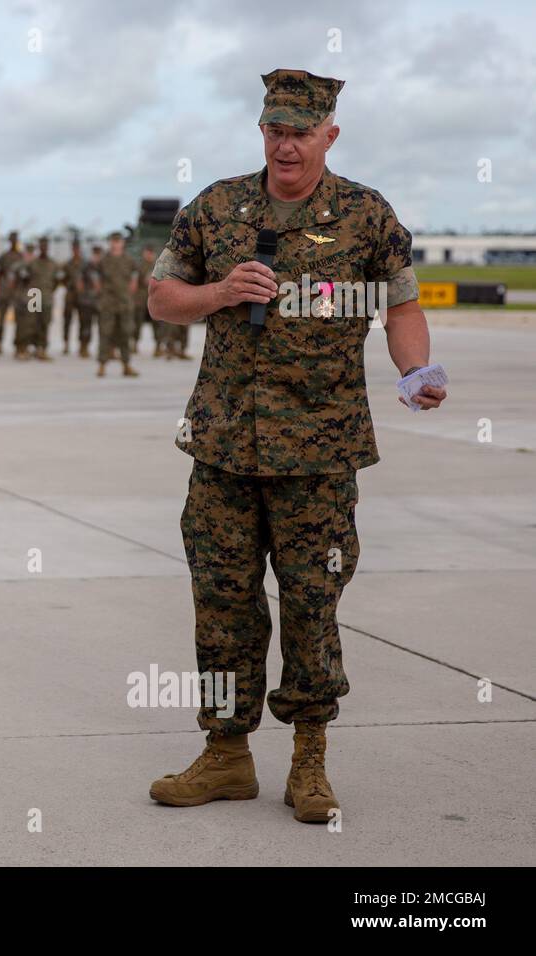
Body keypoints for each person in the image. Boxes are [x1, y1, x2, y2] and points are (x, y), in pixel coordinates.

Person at [146, 69, 446, 823]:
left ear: (329, 135)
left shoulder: (365, 215)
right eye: (275, 129)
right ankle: (225, 755)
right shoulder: (215, 208)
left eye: (301, 131)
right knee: (221, 605)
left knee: (312, 604)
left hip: (318, 455)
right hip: (222, 451)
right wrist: (218, 294)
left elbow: (401, 305)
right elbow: (160, 297)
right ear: (262, 132)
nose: (286, 143)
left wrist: (417, 372)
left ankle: (309, 760)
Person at [95, 232, 139, 378]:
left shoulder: (129, 260)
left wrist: (132, 286)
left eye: (118, 241)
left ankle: (126, 365)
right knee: (105, 333)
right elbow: (97, 278)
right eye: (113, 241)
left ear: (122, 243)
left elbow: (135, 276)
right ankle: (102, 365)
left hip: (124, 303)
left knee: (125, 334)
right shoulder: (104, 260)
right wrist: (101, 292)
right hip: (108, 303)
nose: (116, 243)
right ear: (110, 243)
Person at [26, 236, 59, 361]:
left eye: (46, 246)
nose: (44, 248)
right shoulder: (32, 263)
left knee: (45, 323)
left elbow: (56, 281)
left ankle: (42, 349)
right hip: (34, 296)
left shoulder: (53, 264)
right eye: (42, 246)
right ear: (39, 248)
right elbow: (26, 279)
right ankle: (29, 348)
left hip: (46, 297)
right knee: (31, 323)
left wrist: (49, 291)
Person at [0, 231, 22, 355]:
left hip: (17, 294)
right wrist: (0, 289)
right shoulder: (3, 257)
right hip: (5, 293)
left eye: (15, 239)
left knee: (19, 321)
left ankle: (18, 346)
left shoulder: (22, 257)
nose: (13, 242)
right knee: (1, 320)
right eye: (12, 239)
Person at [61, 238, 86, 356]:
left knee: (83, 321)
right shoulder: (67, 264)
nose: (76, 250)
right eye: (74, 248)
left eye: (77, 248)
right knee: (67, 320)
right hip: (70, 295)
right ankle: (66, 344)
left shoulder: (85, 264)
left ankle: (82, 345)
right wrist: (70, 285)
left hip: (82, 296)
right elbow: (62, 279)